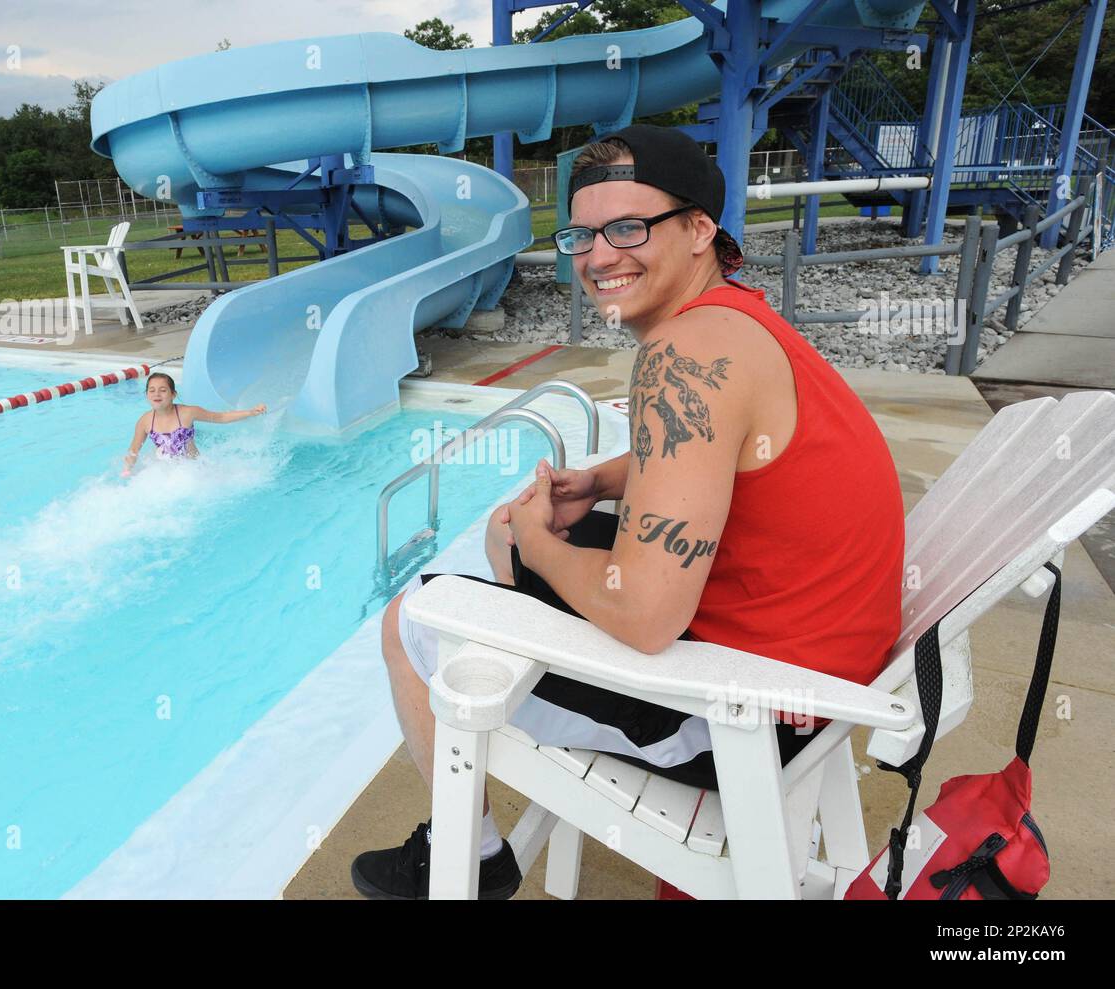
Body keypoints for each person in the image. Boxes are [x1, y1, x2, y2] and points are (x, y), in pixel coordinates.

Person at [351, 124, 905, 900]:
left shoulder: (683, 354)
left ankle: (468, 858)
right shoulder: (734, 318)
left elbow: (646, 614)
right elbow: (744, 453)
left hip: (750, 714)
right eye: (583, 233)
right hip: (808, 656)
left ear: (700, 228)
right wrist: (607, 480)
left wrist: (546, 549)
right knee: (510, 530)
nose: (599, 255)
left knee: (412, 621)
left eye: (629, 227)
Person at [122, 372, 266, 475]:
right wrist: (127, 470)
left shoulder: (187, 413)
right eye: (151, 390)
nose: (156, 394)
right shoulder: (145, 421)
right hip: (165, 473)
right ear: (146, 395)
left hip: (193, 470)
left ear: (173, 394)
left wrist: (251, 412)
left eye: (163, 390)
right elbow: (133, 450)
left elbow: (220, 417)